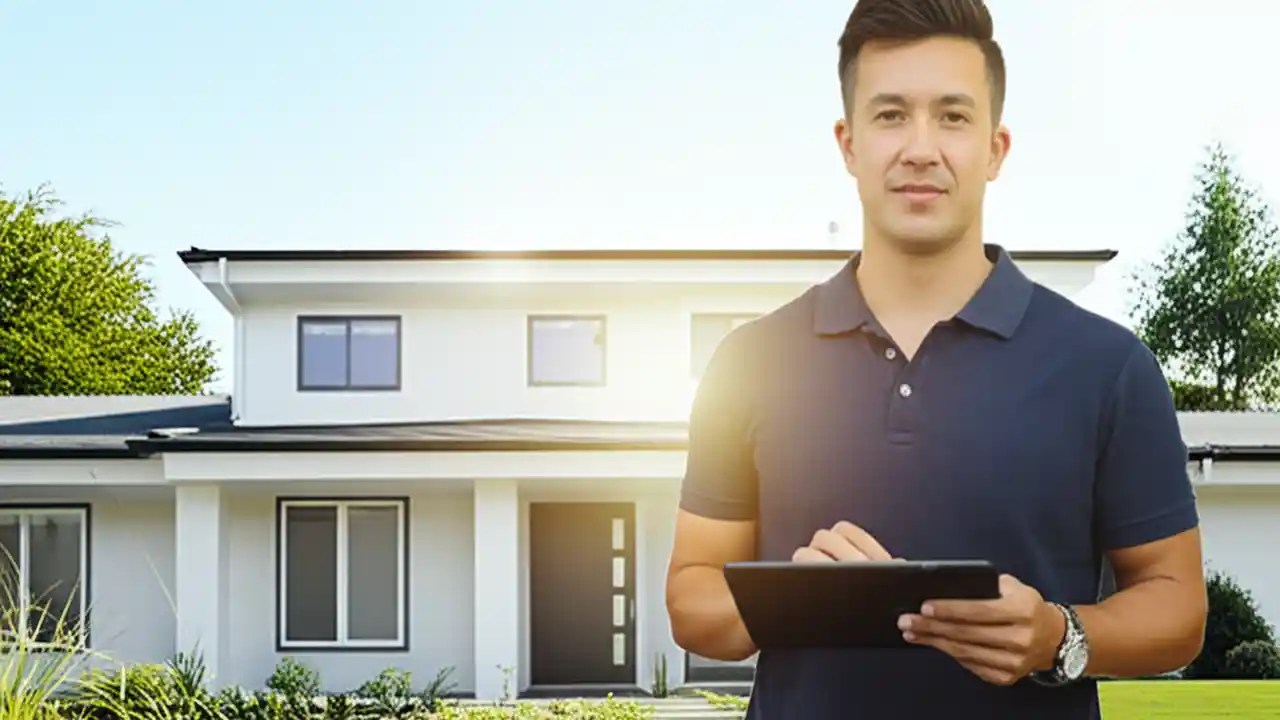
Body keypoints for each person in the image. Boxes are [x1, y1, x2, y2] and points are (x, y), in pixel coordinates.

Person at [664, 0, 1208, 717]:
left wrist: (1061, 635)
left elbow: (1179, 608)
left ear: (995, 149)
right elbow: (690, 598)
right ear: (848, 143)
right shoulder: (747, 362)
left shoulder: (1109, 366)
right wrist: (796, 601)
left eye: (952, 116)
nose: (921, 147)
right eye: (890, 115)